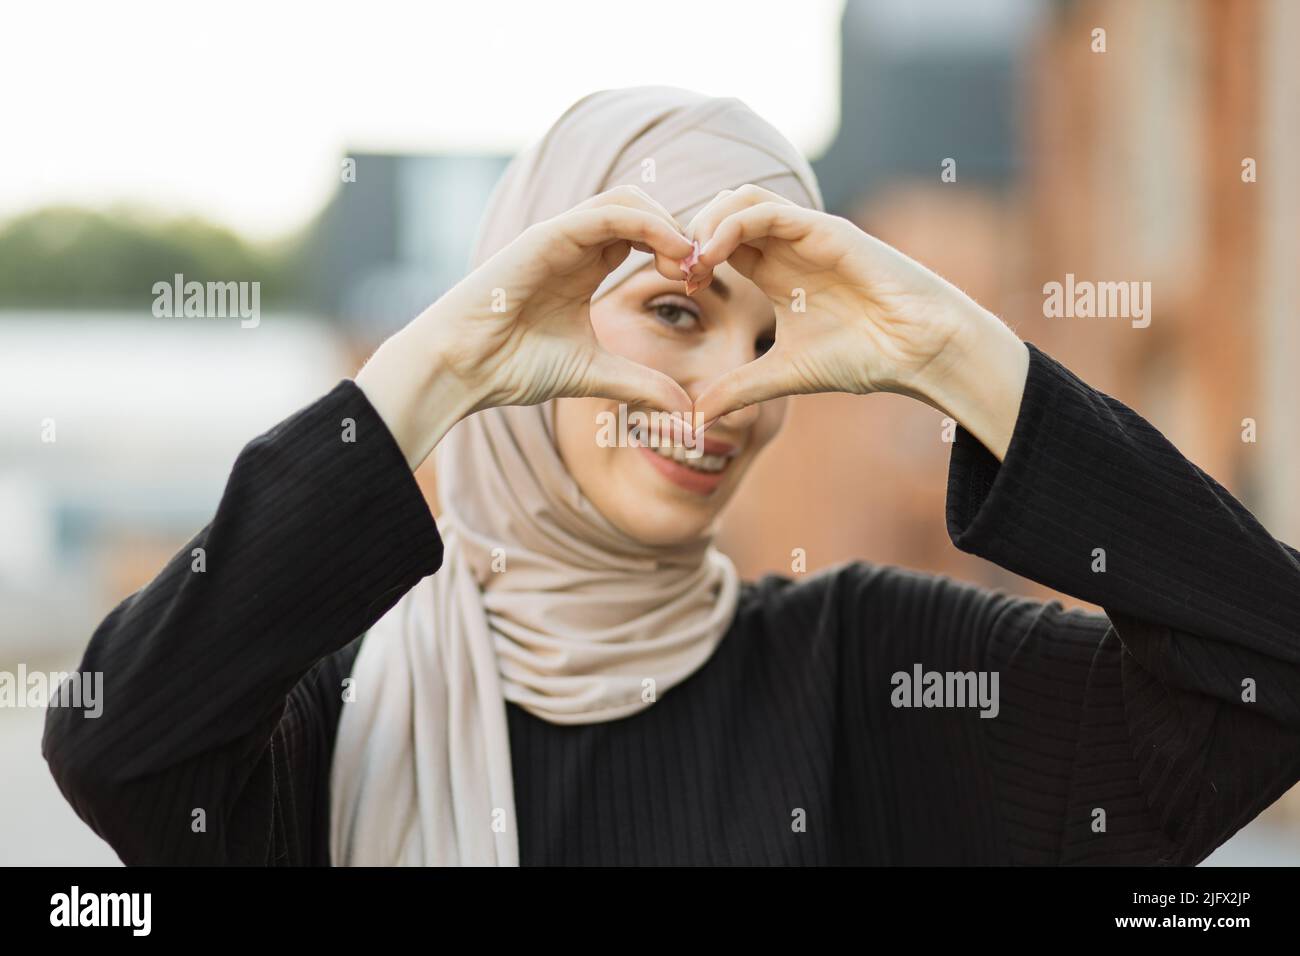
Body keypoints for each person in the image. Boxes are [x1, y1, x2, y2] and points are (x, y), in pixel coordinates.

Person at [43, 86, 1300, 866]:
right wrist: (434, 369)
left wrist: (961, 354)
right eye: (673, 314)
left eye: (771, 340)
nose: (725, 402)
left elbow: (1270, 673)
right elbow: (113, 739)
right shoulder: (333, 715)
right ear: (523, 315)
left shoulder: (868, 676)